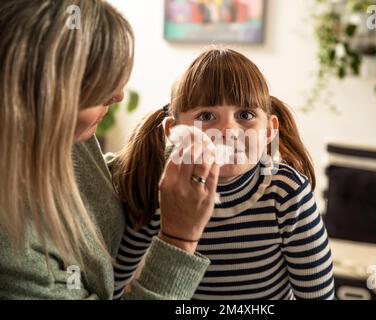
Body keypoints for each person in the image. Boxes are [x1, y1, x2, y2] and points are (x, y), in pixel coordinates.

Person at [0, 0, 219, 299]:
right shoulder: (11, 250)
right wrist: (179, 239)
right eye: (100, 90)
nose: (117, 96)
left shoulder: (64, 136)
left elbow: (91, 187)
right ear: (39, 97)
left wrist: (156, 159)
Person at [112, 48, 336, 300]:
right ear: (174, 132)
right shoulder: (160, 190)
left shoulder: (286, 192)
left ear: (270, 130)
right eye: (206, 116)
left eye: (245, 115)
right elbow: (111, 288)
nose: (228, 130)